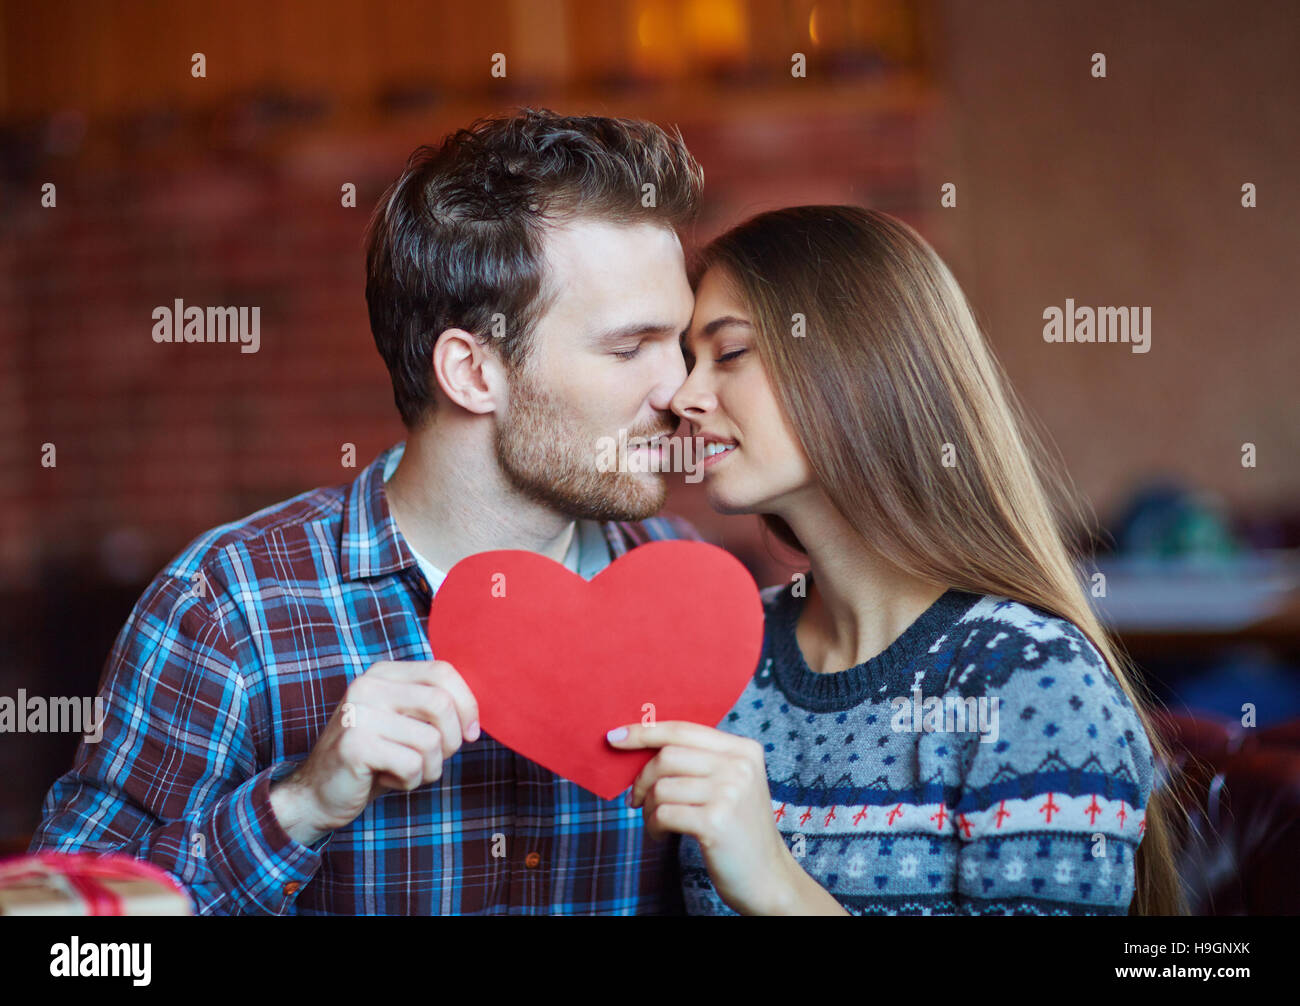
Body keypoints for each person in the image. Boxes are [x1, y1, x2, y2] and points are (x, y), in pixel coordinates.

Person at [30, 108, 705, 915]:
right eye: (631, 349)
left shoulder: (685, 584)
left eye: (684, 342)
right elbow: (69, 949)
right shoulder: (228, 610)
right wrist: (301, 805)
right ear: (473, 371)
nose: (684, 391)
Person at [606, 205, 1189, 915]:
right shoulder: (726, 655)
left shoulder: (1029, 681)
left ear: (855, 367)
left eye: (728, 354)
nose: (684, 398)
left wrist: (776, 886)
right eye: (690, 363)